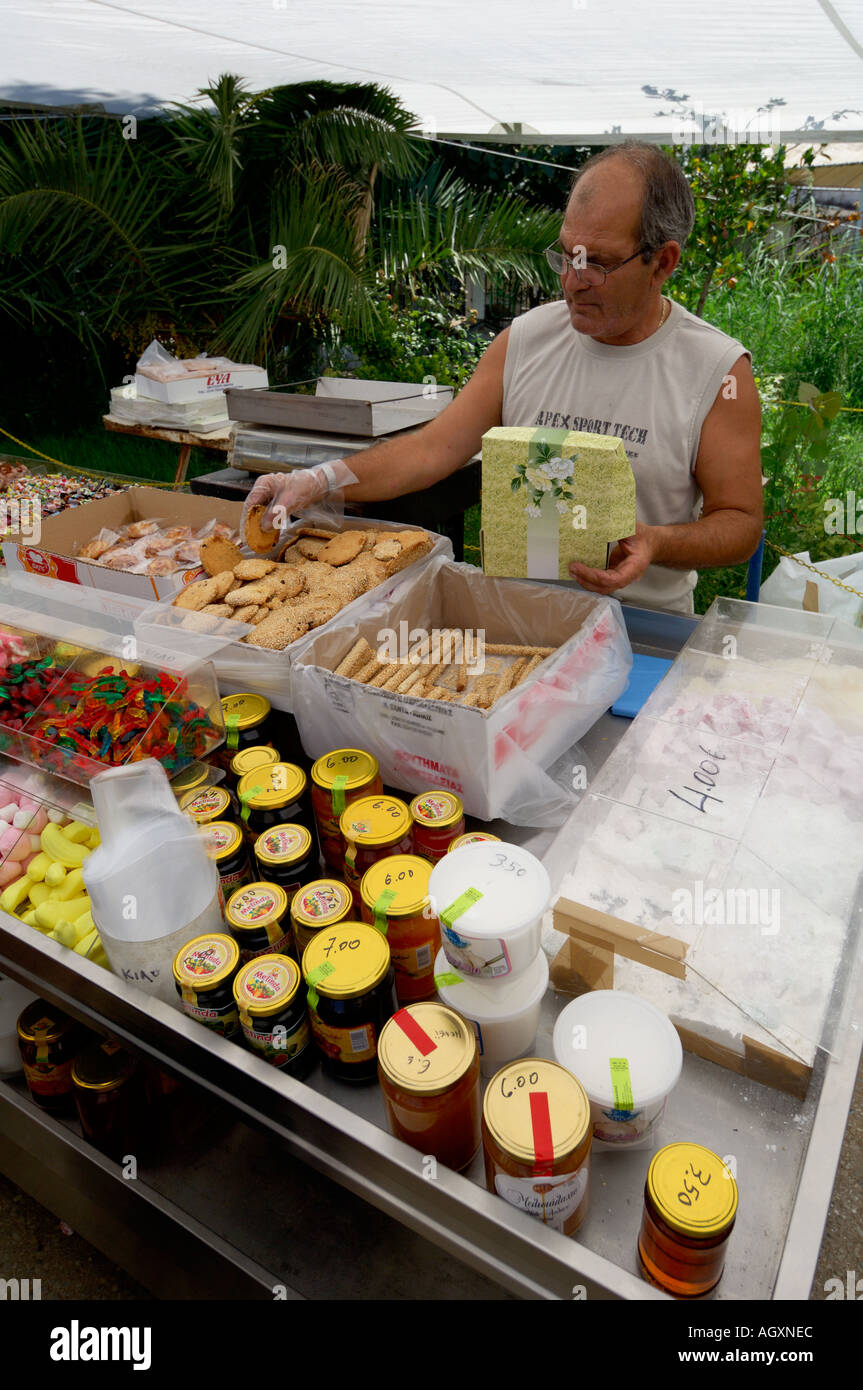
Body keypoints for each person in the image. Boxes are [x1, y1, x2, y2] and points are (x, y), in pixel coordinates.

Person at [245, 142, 763, 614]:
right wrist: (318, 480)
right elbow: (432, 450)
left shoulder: (715, 372)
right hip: (513, 620)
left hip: (642, 631)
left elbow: (740, 522)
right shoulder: (526, 341)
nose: (573, 281)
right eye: (567, 255)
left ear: (662, 262)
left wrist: (656, 542)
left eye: (598, 264)